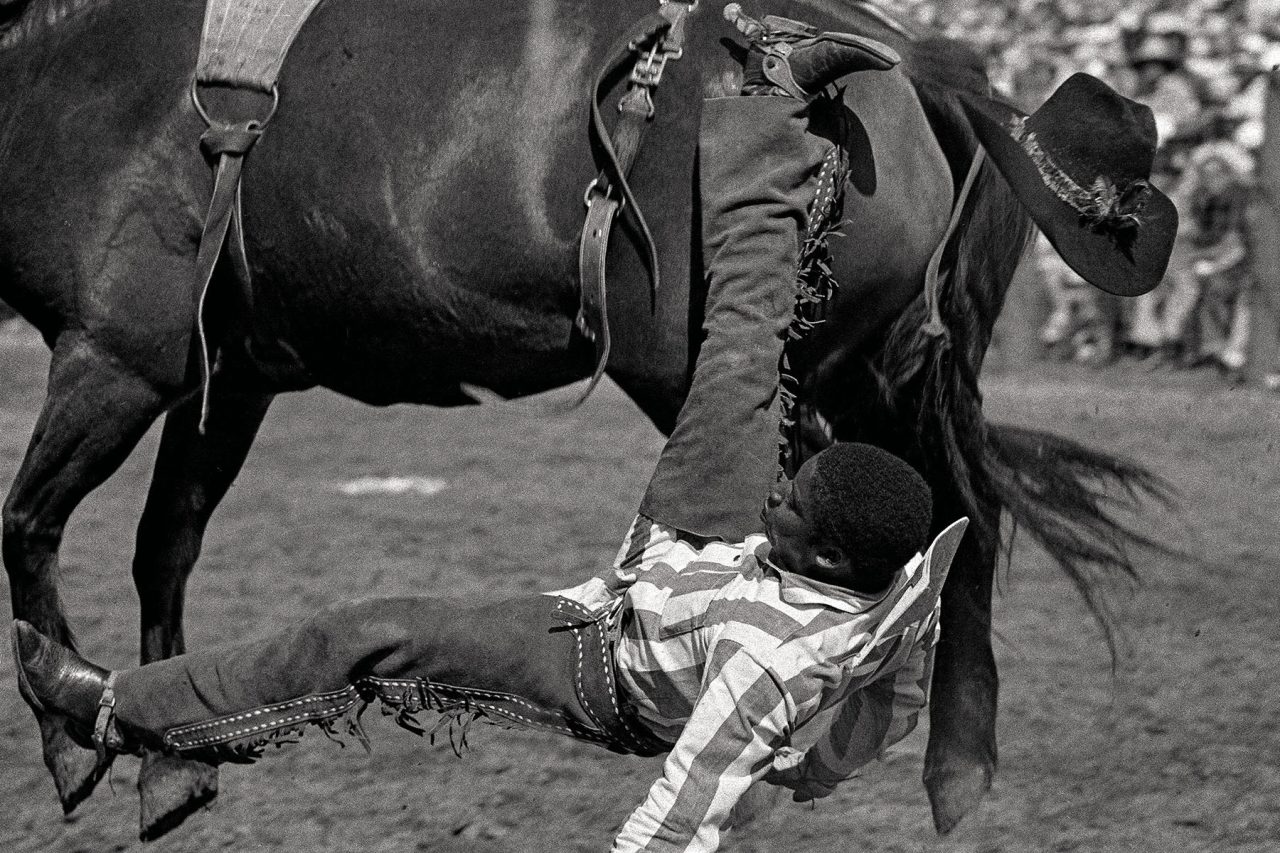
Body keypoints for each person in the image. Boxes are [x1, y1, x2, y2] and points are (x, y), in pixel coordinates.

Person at [15, 442, 970, 852]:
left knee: (364, 633)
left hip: (592, 664)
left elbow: (677, 822)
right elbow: (902, 697)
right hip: (653, 574)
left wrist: (789, 766)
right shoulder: (900, 593)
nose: (775, 496)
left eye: (790, 501)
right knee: (737, 356)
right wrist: (820, 773)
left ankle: (109, 709)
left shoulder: (767, 668)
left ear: (829, 552)